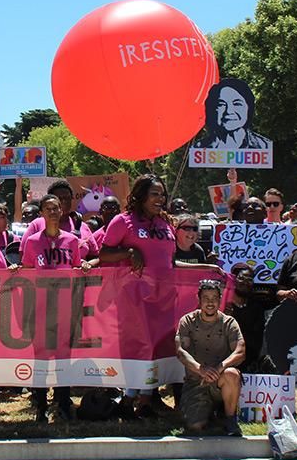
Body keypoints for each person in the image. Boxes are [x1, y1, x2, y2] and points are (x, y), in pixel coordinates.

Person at [98, 175, 177, 418]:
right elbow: (104, 254)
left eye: (162, 194)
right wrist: (129, 252)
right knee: (139, 347)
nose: (160, 199)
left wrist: (207, 269)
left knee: (157, 347)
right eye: (154, 194)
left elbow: (170, 261)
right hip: (134, 297)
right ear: (141, 196)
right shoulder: (123, 222)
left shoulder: (166, 224)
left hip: (164, 296)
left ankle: (144, 400)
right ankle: (128, 399)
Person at [18, 194, 92, 424]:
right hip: (39, 308)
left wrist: (86, 267)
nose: (52, 212)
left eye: (56, 208)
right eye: (48, 209)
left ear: (62, 212)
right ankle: (40, 406)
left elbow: (77, 268)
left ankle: (62, 403)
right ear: (41, 213)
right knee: (40, 358)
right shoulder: (32, 242)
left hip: (64, 308)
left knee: (63, 357)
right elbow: (27, 272)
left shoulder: (71, 241)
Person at [174, 280, 244, 436]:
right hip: (196, 381)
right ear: (199, 300)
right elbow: (180, 351)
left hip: (220, 380)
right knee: (195, 426)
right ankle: (209, 414)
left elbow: (240, 352)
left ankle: (230, 419)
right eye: (206, 298)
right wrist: (200, 369)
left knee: (232, 374)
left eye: (214, 298)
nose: (210, 302)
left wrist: (220, 368)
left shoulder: (229, 323)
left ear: (220, 299)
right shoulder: (186, 321)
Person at [22, 180, 98, 262]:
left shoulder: (83, 227)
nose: (64, 201)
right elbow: (24, 255)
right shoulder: (36, 225)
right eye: (59, 198)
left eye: (67, 198)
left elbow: (95, 257)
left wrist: (87, 265)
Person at [193, 78, 272, 151]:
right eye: (221, 104)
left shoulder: (264, 146)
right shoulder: (199, 148)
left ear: (248, 108)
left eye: (237, 104)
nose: (229, 111)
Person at [224, 264, 270, 373]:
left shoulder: (256, 308)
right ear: (234, 280)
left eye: (249, 279)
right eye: (241, 278)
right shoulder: (222, 306)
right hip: (223, 364)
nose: (245, 282)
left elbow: (256, 341)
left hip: (249, 367)